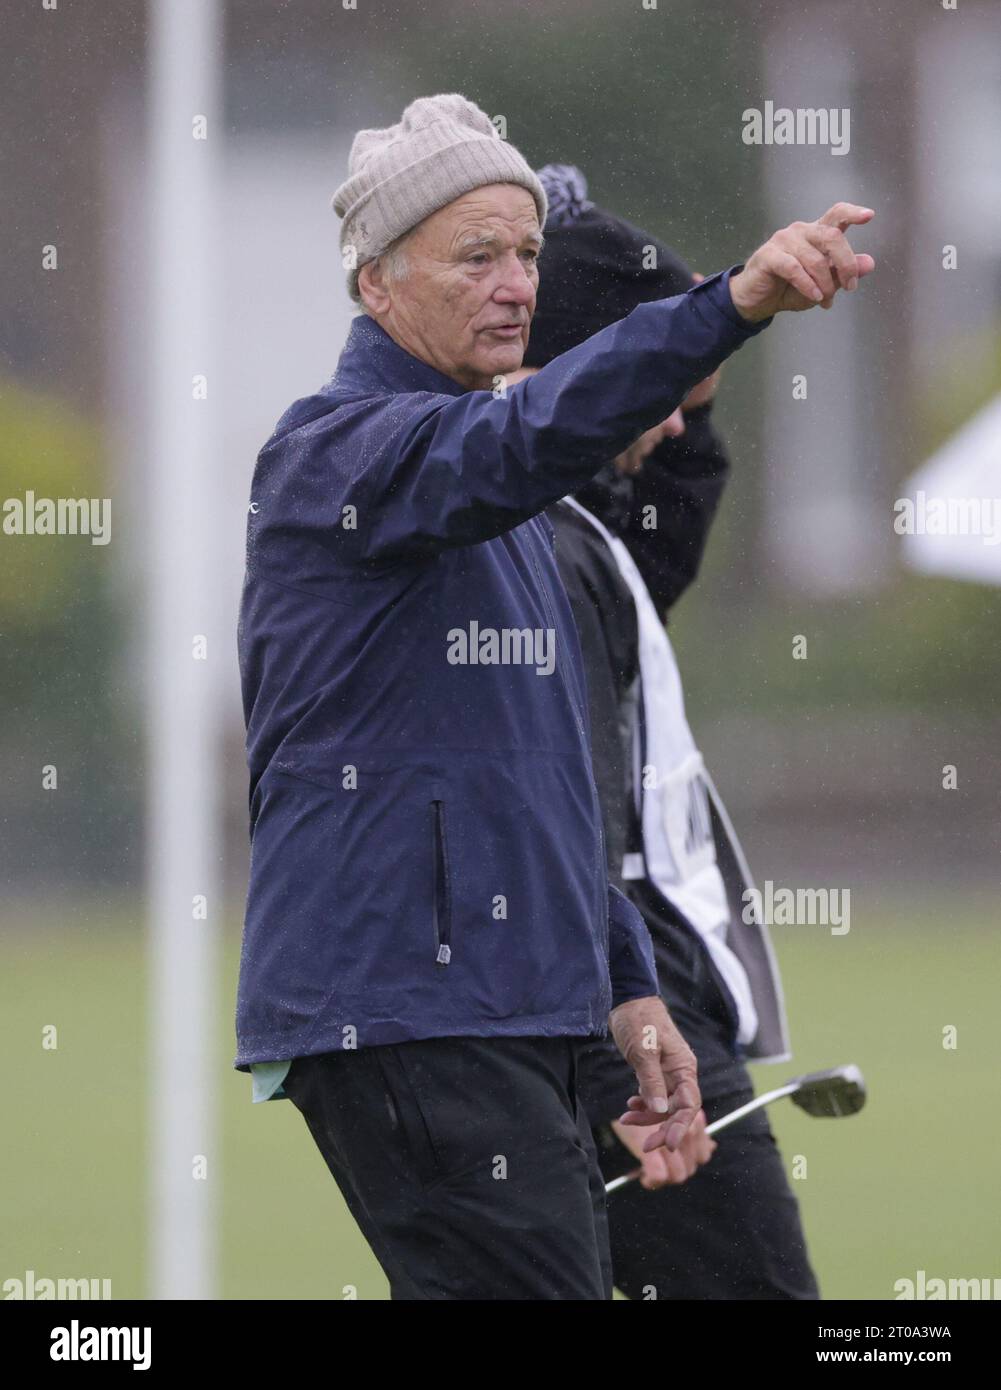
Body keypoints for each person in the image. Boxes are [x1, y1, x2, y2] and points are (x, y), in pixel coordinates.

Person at [233, 92, 875, 1299]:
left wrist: (627, 995)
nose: (516, 282)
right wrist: (728, 305)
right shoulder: (340, 452)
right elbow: (528, 431)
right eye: (475, 255)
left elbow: (553, 784)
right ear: (373, 281)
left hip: (502, 1007)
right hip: (408, 1010)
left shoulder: (516, 508)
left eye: (526, 253)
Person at [514, 163, 819, 1299]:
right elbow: (560, 823)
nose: (677, 410)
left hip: (616, 988)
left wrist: (689, 313)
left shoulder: (577, 524)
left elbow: (675, 492)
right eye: (650, 375)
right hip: (622, 996)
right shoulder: (541, 541)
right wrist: (625, 1040)